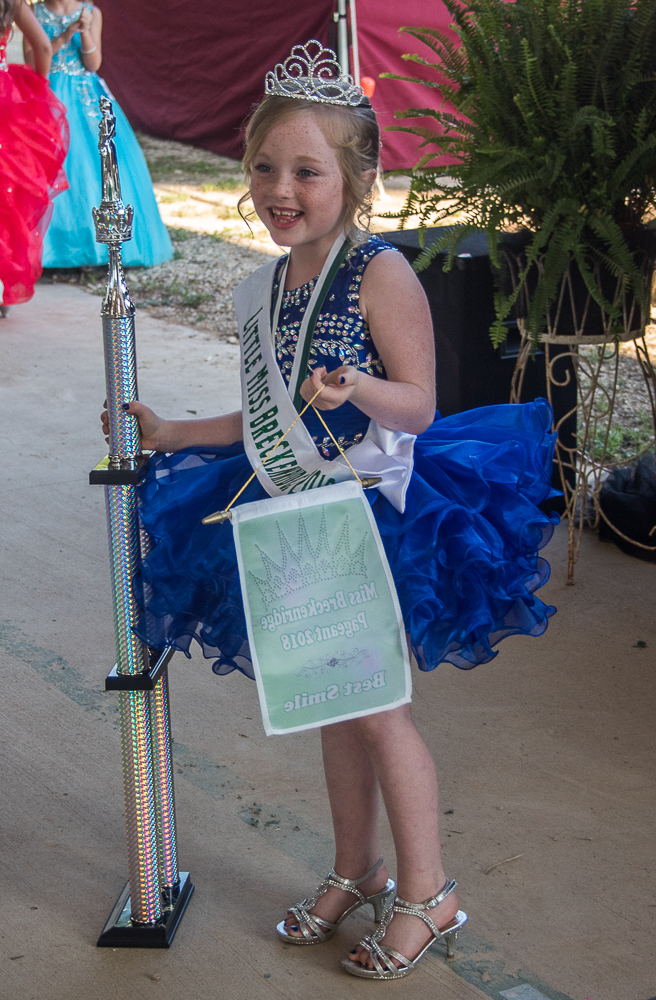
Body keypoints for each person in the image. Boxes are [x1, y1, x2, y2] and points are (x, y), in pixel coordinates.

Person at [101, 42, 557, 980]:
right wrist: (174, 432)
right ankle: (357, 869)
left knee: (380, 711)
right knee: (332, 709)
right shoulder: (267, 288)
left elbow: (422, 405)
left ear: (355, 180)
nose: (280, 188)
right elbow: (264, 410)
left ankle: (431, 896)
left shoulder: (378, 273)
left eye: (306, 170)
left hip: (368, 515)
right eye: (264, 168)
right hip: (293, 516)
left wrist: (358, 387)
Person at [28, 0, 172, 269]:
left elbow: (94, 64)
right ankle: (51, 247)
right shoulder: (35, 12)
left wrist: (83, 30)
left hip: (86, 95)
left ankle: (99, 245)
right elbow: (33, 60)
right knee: (53, 161)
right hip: (52, 92)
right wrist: (65, 34)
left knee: (93, 164)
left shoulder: (92, 12)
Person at [0, 0, 68, 314]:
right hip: (5, 98)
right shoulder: (11, 2)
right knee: (7, 194)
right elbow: (42, 45)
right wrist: (40, 84)